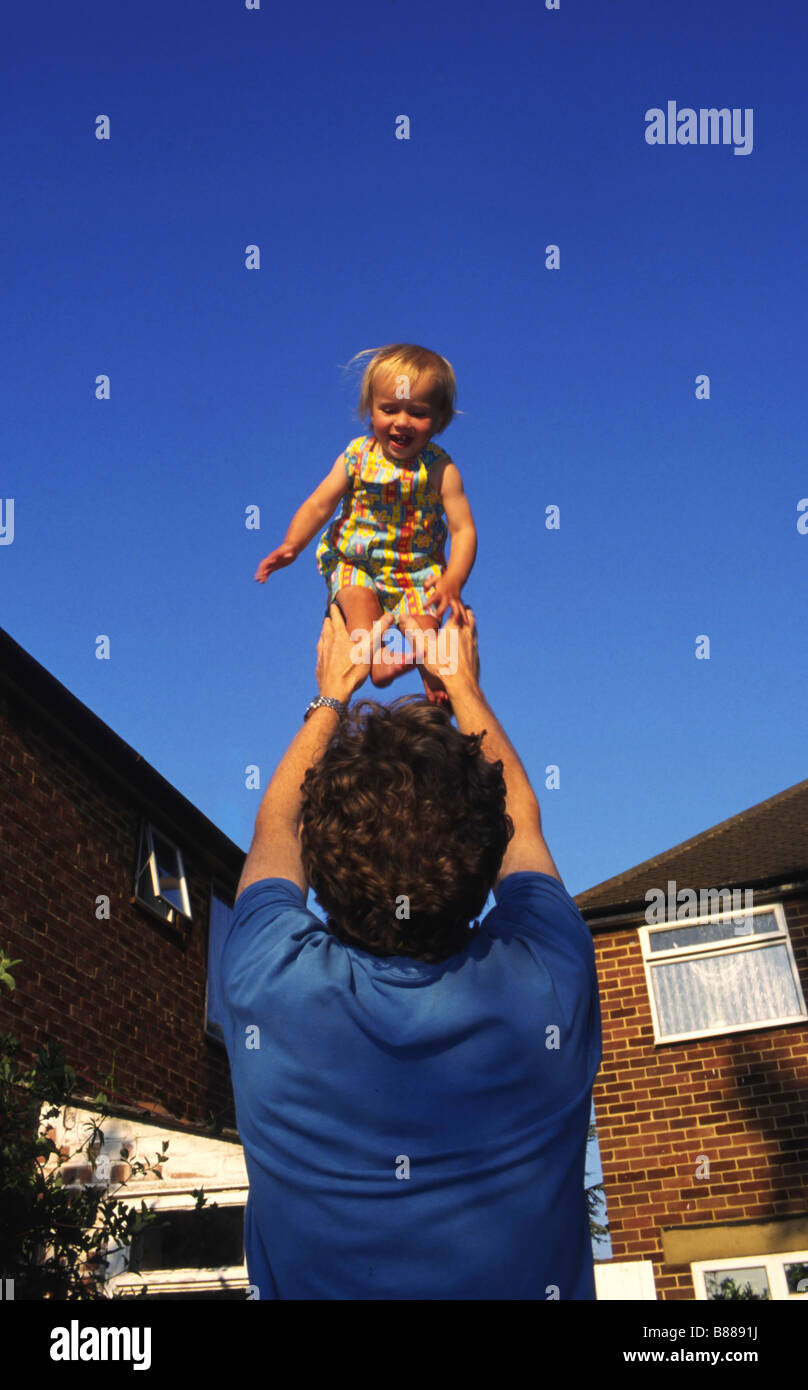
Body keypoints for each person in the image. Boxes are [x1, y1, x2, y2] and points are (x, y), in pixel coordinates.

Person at [220, 606, 602, 1300]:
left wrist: (332, 694)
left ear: (323, 863)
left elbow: (275, 823)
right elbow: (523, 829)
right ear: (480, 858)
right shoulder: (550, 979)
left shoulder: (268, 980)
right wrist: (462, 685)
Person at [253, 343, 477, 704]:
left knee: (425, 630)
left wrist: (454, 579)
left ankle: (437, 677)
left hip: (416, 570)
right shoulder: (356, 456)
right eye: (389, 409)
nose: (401, 421)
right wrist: (292, 544)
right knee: (359, 608)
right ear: (370, 411)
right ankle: (379, 659)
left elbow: (463, 529)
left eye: (417, 412)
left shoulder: (440, 469)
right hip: (357, 561)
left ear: (438, 420)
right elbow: (319, 503)